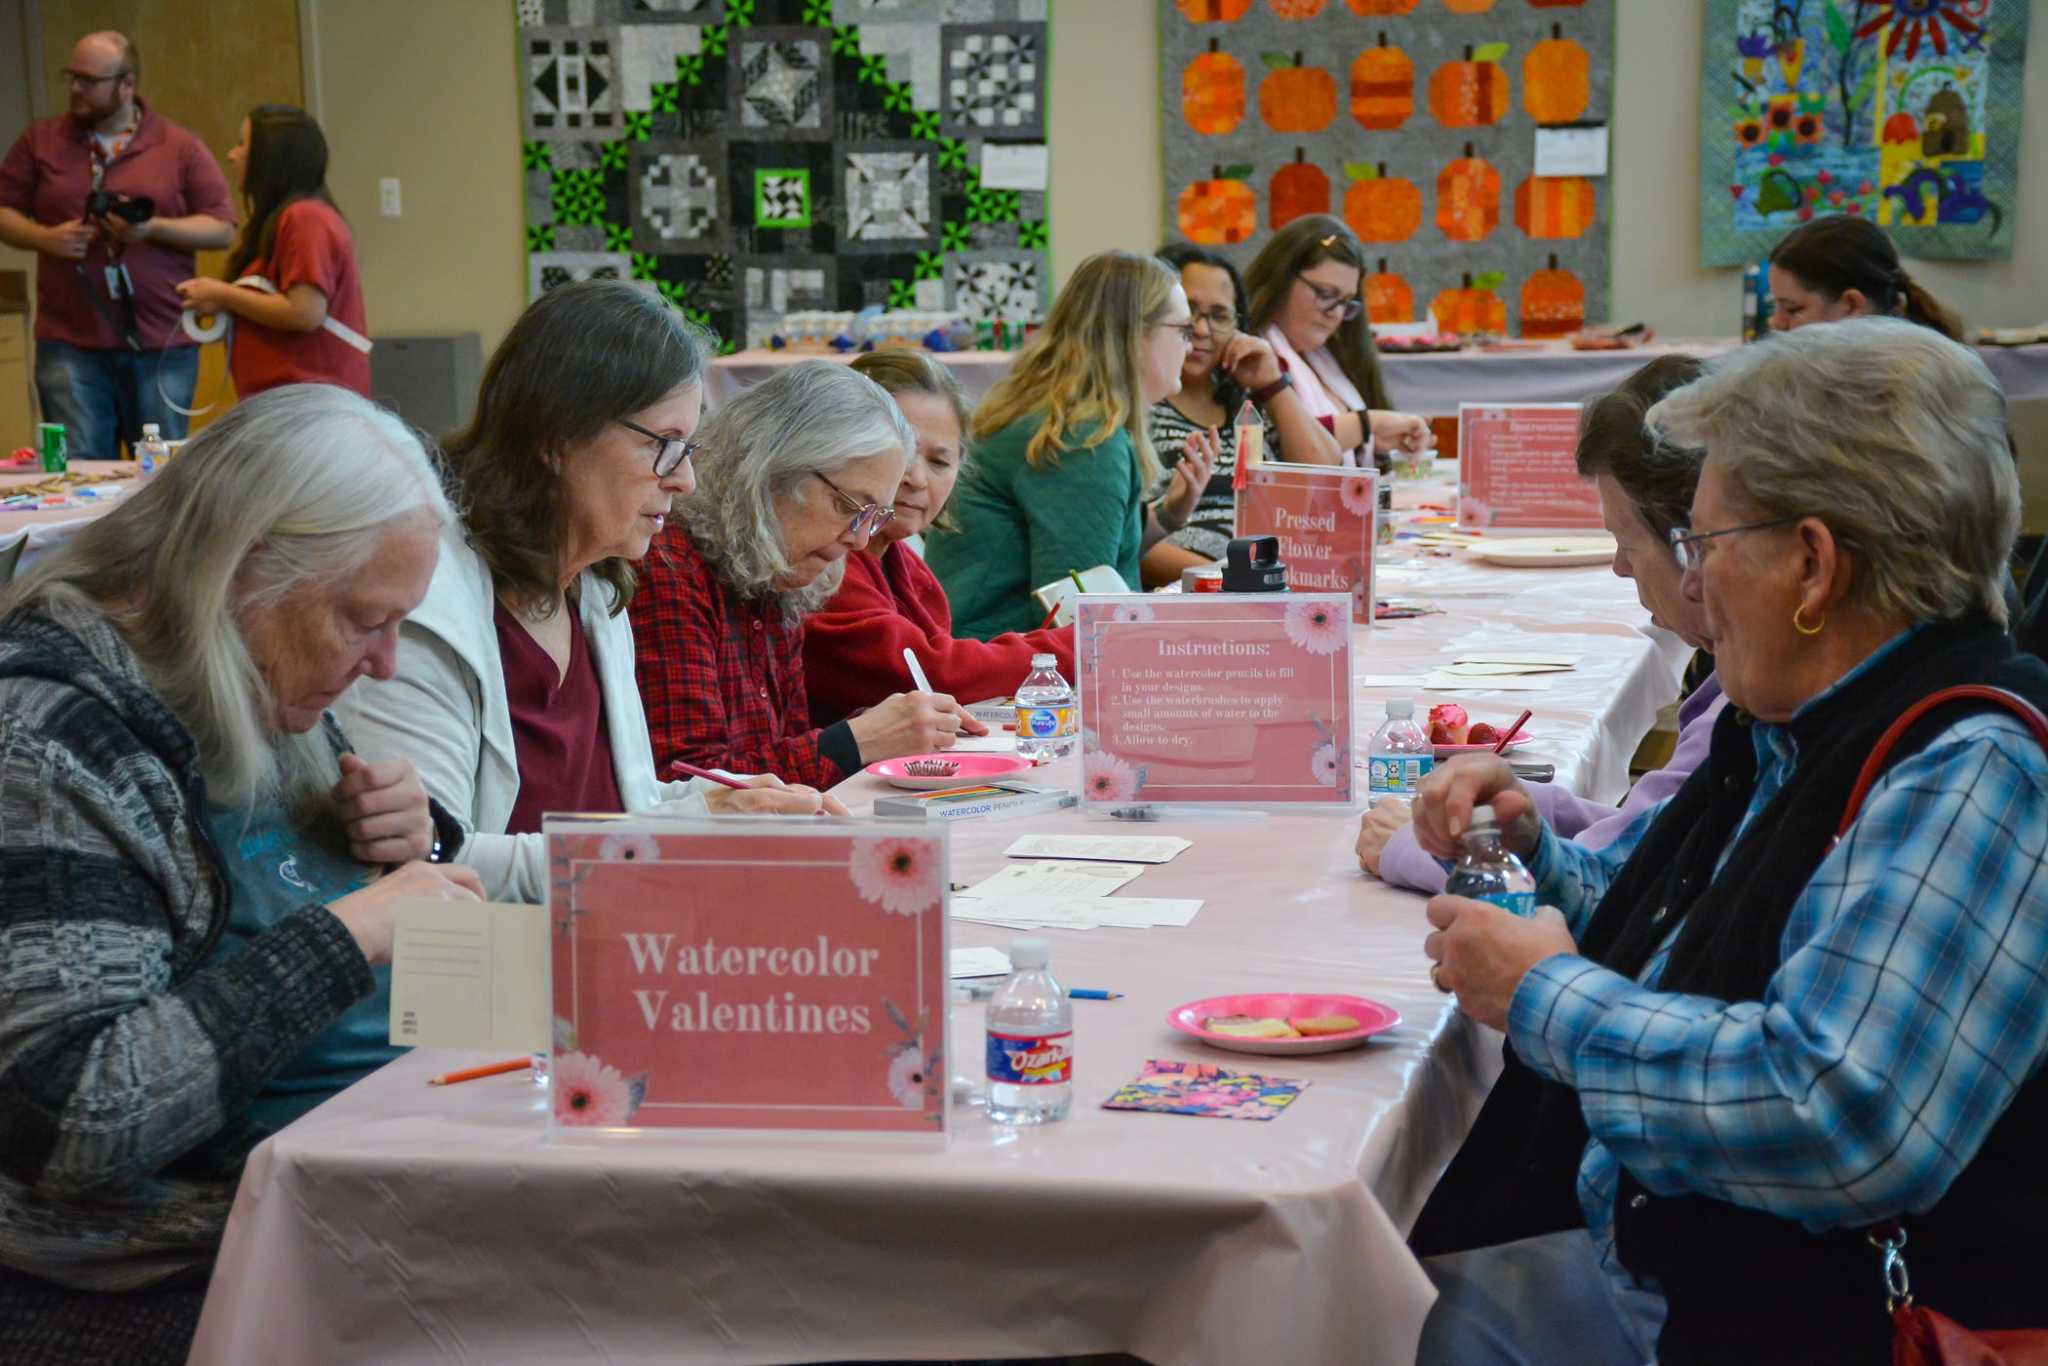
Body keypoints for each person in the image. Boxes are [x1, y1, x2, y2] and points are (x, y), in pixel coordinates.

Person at [1407, 318, 2048, 1365]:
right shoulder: (1806, 717)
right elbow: (1688, 929)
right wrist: (1531, 851)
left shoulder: (1967, 766)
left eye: (1702, 543)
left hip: (1797, 1323)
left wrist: (1541, 996)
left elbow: (1835, 1113)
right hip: (1680, 1275)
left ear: (1809, 565)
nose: (1686, 582)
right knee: (1366, 1296)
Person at [0, 385, 485, 1365]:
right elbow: (71, 1119)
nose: (387, 665)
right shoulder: (48, 750)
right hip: (162, 1281)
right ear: (243, 569)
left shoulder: (249, 664)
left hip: (341, 1199)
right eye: (362, 621)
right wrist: (350, 937)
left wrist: (406, 836)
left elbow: (299, 884)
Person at [333, 282, 835, 906]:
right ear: (556, 436)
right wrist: (682, 835)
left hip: (591, 943)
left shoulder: (594, 586)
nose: (686, 479)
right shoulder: (421, 609)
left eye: (689, 447)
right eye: (663, 445)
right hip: (490, 977)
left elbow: (611, 810)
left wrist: (727, 803)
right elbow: (433, 860)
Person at [1361, 356, 1726, 891]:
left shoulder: (1754, 699)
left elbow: (1625, 881)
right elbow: (1652, 828)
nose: (1620, 567)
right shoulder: (1737, 682)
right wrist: (1526, 808)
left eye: (1628, 544)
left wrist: (1408, 851)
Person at [633, 360, 986, 788]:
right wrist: (856, 740)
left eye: (874, 516)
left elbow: (779, 747)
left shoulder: (781, 573)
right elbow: (685, 783)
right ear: (772, 471)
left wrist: (885, 728)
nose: (859, 542)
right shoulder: (671, 565)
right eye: (849, 507)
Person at [926, 249, 1213, 639]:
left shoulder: (1057, 415)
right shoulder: (1083, 440)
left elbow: (1083, 564)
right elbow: (1080, 619)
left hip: (984, 655)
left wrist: (1167, 517)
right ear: (1135, 335)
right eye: (1183, 330)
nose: (1191, 346)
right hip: (1002, 677)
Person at [803, 350, 1076, 726]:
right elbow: (932, 673)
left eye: (939, 462)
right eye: (902, 451)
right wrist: (1084, 644)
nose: (916, 478)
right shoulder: (824, 557)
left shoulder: (905, 563)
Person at [0, 31, 235, 457]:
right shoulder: (41, 141)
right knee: (79, 471)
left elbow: (221, 227)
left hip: (160, 343)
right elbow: (3, 210)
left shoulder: (177, 146)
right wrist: (44, 238)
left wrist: (154, 229)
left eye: (88, 81)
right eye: (70, 77)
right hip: (69, 342)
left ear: (127, 85)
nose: (75, 89)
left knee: (159, 477)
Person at [1141, 243, 1342, 587]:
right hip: (1193, 595)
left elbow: (1324, 480)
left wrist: (1273, 384)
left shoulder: (1248, 402)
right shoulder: (1142, 407)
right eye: (1190, 311)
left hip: (1266, 581)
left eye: (1219, 316)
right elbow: (1132, 542)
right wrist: (1230, 580)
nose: (1202, 329)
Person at [174, 104, 369, 397]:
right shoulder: (288, 219)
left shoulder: (306, 218)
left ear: (271, 158)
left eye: (242, 144)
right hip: (288, 401)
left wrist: (221, 294)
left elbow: (305, 312)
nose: (231, 154)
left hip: (307, 404)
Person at [1242, 215, 1429, 466]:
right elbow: (1282, 448)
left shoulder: (1329, 354)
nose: (1336, 313)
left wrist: (1378, 443)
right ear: (1280, 279)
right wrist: (1367, 425)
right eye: (1325, 294)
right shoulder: (1249, 357)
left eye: (1345, 302)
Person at [1767, 213, 1963, 339]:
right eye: (1775, 307)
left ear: (1851, 304)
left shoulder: (1894, 382)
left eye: (1792, 310)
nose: (1776, 323)